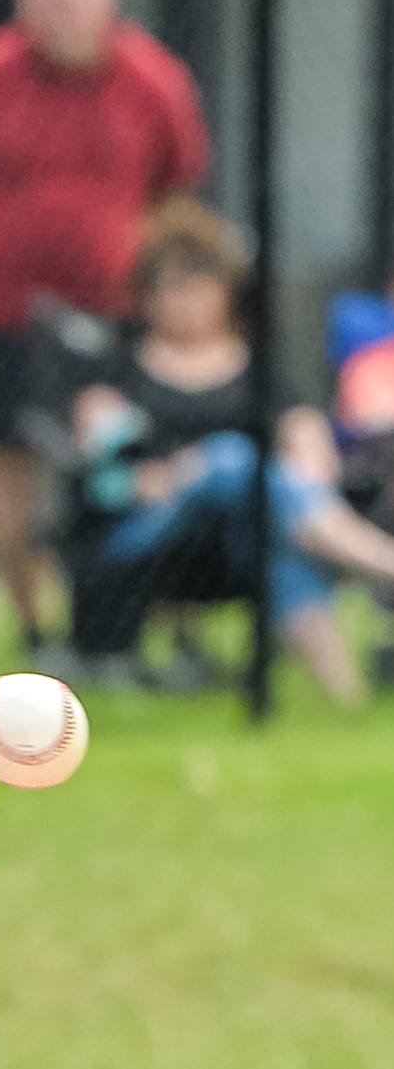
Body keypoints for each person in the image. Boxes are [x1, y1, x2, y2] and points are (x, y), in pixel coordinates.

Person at [0, 0, 210, 658]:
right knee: (10, 464)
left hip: (116, 311)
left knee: (136, 461)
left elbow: (178, 184)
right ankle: (32, 626)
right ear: (23, 7)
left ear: (109, 3)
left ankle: (162, 624)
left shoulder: (154, 80)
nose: (65, 13)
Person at [64, 205, 374, 704]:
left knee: (273, 540)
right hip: (149, 534)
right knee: (231, 460)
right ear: (147, 295)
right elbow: (116, 482)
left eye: (200, 285)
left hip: (243, 534)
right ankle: (376, 560)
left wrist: (298, 475)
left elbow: (308, 445)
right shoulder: (118, 374)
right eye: (172, 286)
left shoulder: (259, 373)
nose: (186, 301)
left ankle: (348, 703)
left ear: (227, 292)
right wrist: (191, 473)